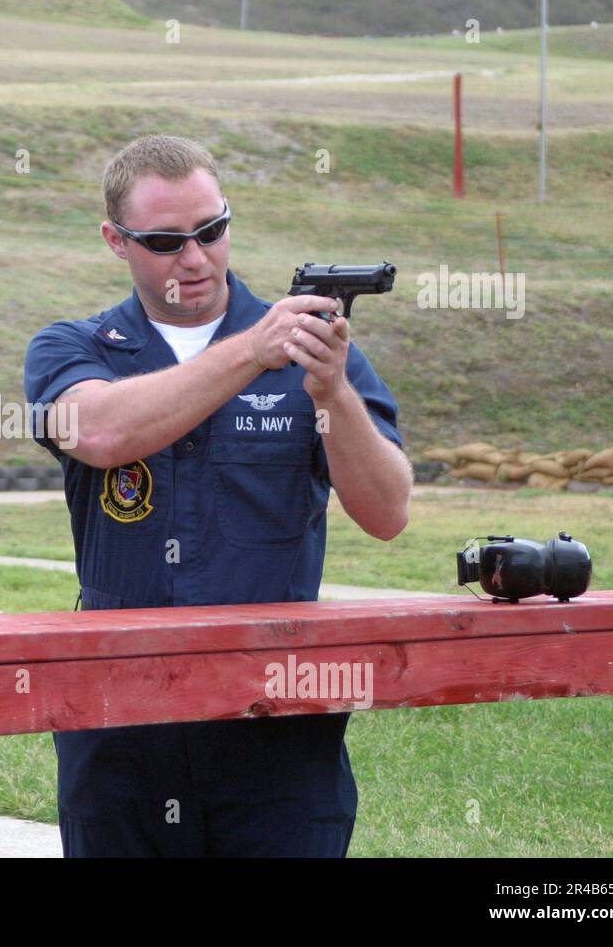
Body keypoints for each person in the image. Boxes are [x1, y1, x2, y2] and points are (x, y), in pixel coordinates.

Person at [23, 134, 412, 857]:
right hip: (122, 729)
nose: (195, 258)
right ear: (116, 241)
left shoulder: (314, 350)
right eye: (166, 241)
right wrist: (251, 354)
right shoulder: (72, 347)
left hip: (277, 733)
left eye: (211, 230)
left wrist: (333, 396)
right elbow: (101, 433)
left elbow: (388, 512)